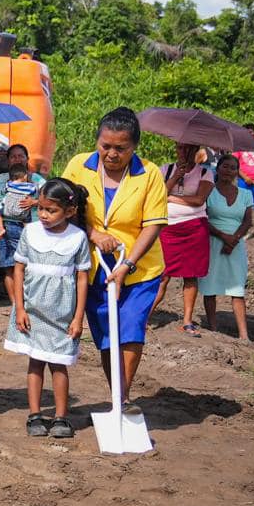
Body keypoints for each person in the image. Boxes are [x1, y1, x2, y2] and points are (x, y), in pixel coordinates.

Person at [61, 107, 167, 410]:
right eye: (105, 146)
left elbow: (153, 224)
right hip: (91, 267)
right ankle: (118, 393)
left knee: (131, 326)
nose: (111, 154)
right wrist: (94, 235)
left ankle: (122, 396)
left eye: (120, 148)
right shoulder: (79, 166)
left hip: (139, 269)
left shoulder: (149, 174)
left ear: (134, 147)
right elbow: (65, 206)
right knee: (107, 333)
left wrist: (126, 265)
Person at [4, 179, 90, 440]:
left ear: (69, 211)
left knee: (59, 364)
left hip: (62, 316)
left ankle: (61, 417)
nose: (43, 215)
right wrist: (19, 308)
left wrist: (78, 317)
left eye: (51, 210)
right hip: (32, 311)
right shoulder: (30, 232)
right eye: (40, 208)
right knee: (35, 362)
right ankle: (35, 414)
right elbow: (18, 269)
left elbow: (82, 278)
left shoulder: (77, 238)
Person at [152, 142, 214, 336]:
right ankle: (144, 317)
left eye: (190, 149)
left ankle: (187, 321)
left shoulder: (205, 173)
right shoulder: (166, 169)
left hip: (194, 227)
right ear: (176, 149)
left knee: (191, 275)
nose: (185, 152)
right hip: (167, 228)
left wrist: (170, 198)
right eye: (181, 148)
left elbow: (199, 200)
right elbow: (157, 195)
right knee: (163, 275)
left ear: (197, 151)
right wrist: (176, 176)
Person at [200, 155, 254, 340]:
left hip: (236, 245)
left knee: (237, 289)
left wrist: (234, 239)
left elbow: (248, 222)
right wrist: (224, 237)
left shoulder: (246, 194)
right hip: (213, 243)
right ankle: (213, 328)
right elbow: (203, 219)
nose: (228, 170)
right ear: (218, 168)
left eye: (232, 168)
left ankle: (244, 335)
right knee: (210, 286)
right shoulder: (208, 192)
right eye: (225, 166)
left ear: (236, 171)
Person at [0, 162, 43, 307]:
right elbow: (43, 192)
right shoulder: (32, 185)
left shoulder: (7, 183)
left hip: (6, 223)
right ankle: (22, 303)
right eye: (13, 156)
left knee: (11, 267)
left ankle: (16, 303)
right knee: (24, 266)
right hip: (22, 223)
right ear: (26, 175)